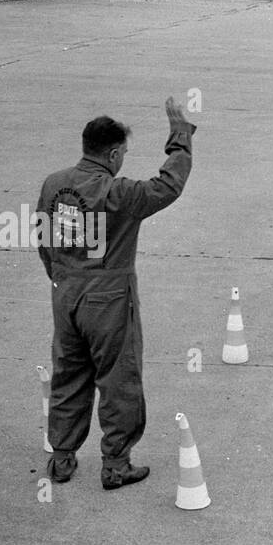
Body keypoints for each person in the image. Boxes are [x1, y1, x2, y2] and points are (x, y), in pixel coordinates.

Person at [35, 98, 195, 490]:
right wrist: (180, 139)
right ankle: (116, 464)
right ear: (111, 153)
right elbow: (168, 185)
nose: (123, 160)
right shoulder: (118, 194)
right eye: (122, 153)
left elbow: (42, 239)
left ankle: (62, 459)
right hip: (108, 299)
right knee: (119, 379)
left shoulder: (53, 184)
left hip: (65, 293)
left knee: (69, 375)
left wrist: (61, 279)